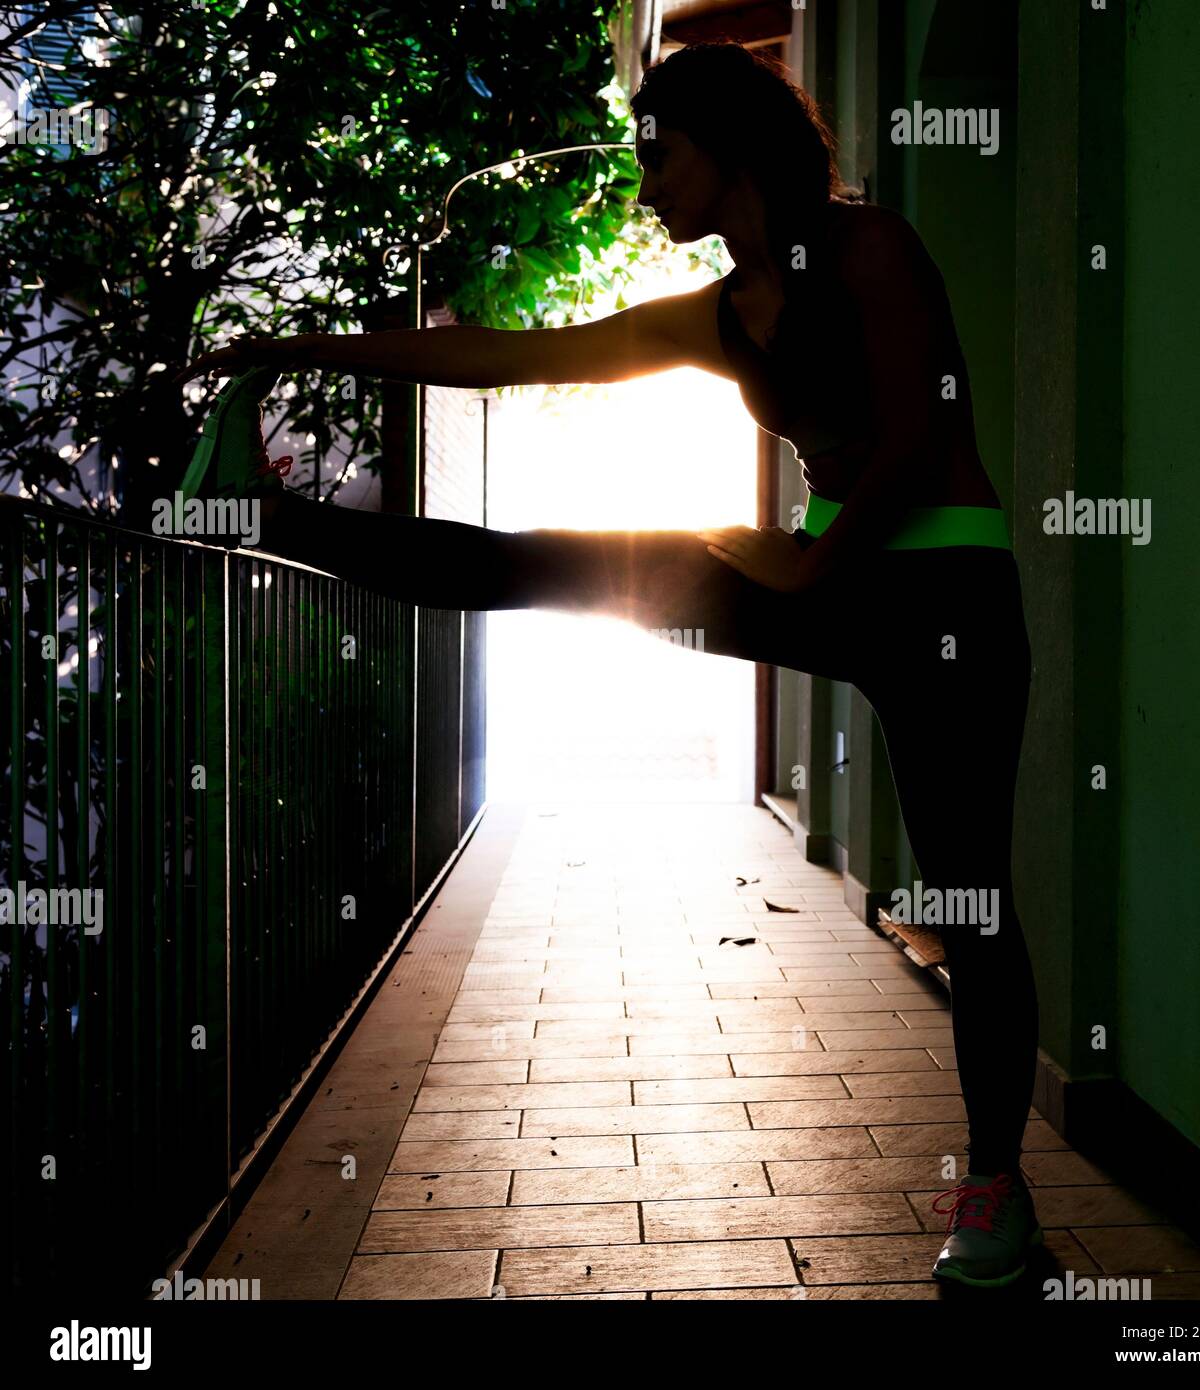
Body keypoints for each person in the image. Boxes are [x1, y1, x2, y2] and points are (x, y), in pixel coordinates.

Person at [172, 40, 1041, 1288]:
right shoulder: (718, 313)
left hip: (944, 591)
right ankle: (258, 518)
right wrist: (303, 349)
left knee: (968, 897)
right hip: (818, 575)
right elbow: (512, 357)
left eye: (658, 156)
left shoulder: (871, 249)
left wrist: (812, 562)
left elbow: (920, 425)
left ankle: (995, 1190)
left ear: (730, 147)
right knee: (554, 562)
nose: (646, 190)